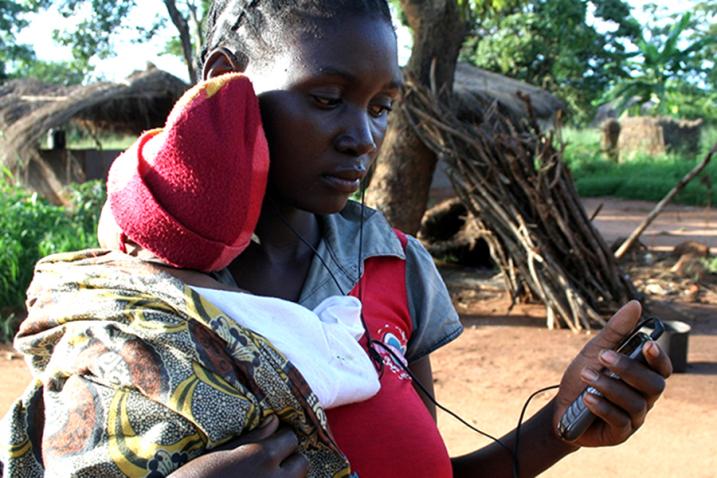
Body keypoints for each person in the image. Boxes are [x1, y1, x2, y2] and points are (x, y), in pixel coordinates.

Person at [0, 1, 672, 477]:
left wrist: (560, 424)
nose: (363, 137)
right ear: (222, 78)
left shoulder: (394, 265)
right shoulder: (131, 297)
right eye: (326, 98)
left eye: (382, 106)